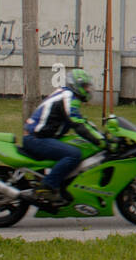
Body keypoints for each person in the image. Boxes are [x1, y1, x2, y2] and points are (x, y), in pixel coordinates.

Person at [19, 69, 104, 206]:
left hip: (38, 136)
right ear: (76, 85)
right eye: (85, 87)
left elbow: (82, 121)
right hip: (36, 139)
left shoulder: (65, 95)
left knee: (74, 146)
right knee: (74, 154)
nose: (88, 90)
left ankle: (59, 185)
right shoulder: (68, 97)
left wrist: (99, 135)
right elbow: (77, 123)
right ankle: (47, 188)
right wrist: (101, 142)